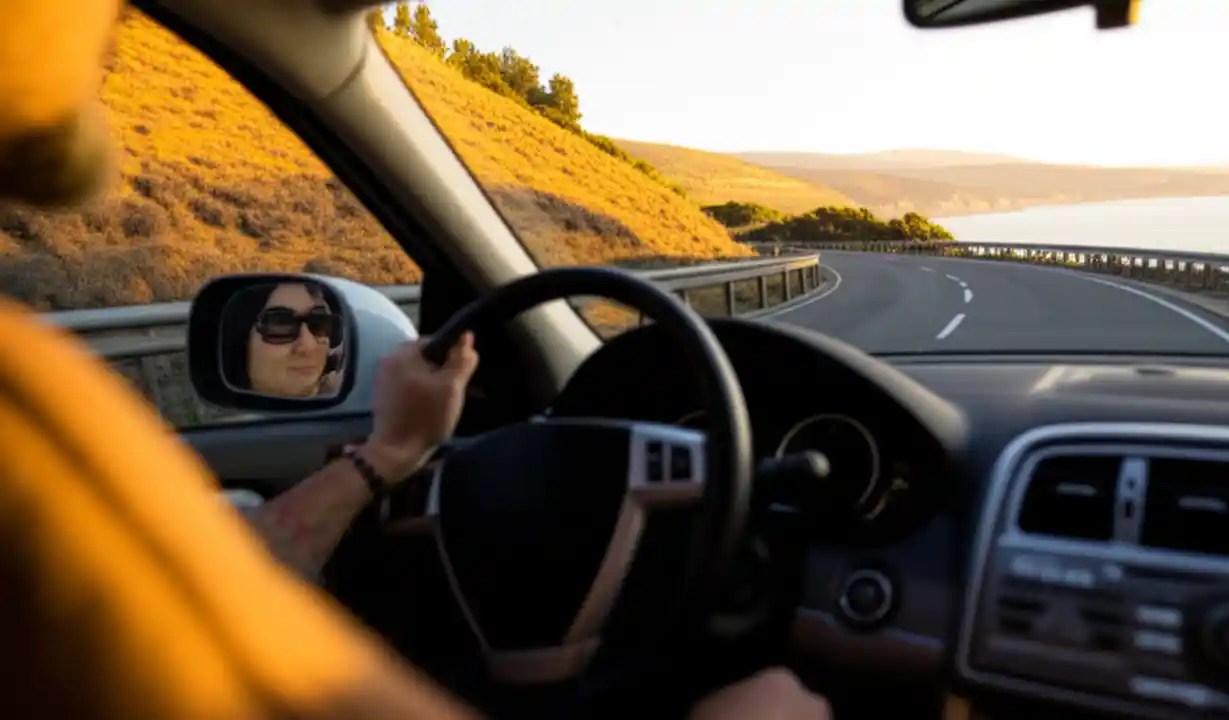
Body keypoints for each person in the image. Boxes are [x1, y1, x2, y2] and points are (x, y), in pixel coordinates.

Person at [0, 1, 831, 718]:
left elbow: (236, 578)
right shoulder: (25, 420)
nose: (115, 28)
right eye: (279, 328)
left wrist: (392, 453)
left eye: (319, 329)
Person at [221, 281, 344, 398]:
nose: (309, 346)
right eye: (281, 325)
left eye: (318, 323)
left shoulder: (339, 389)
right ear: (239, 342)